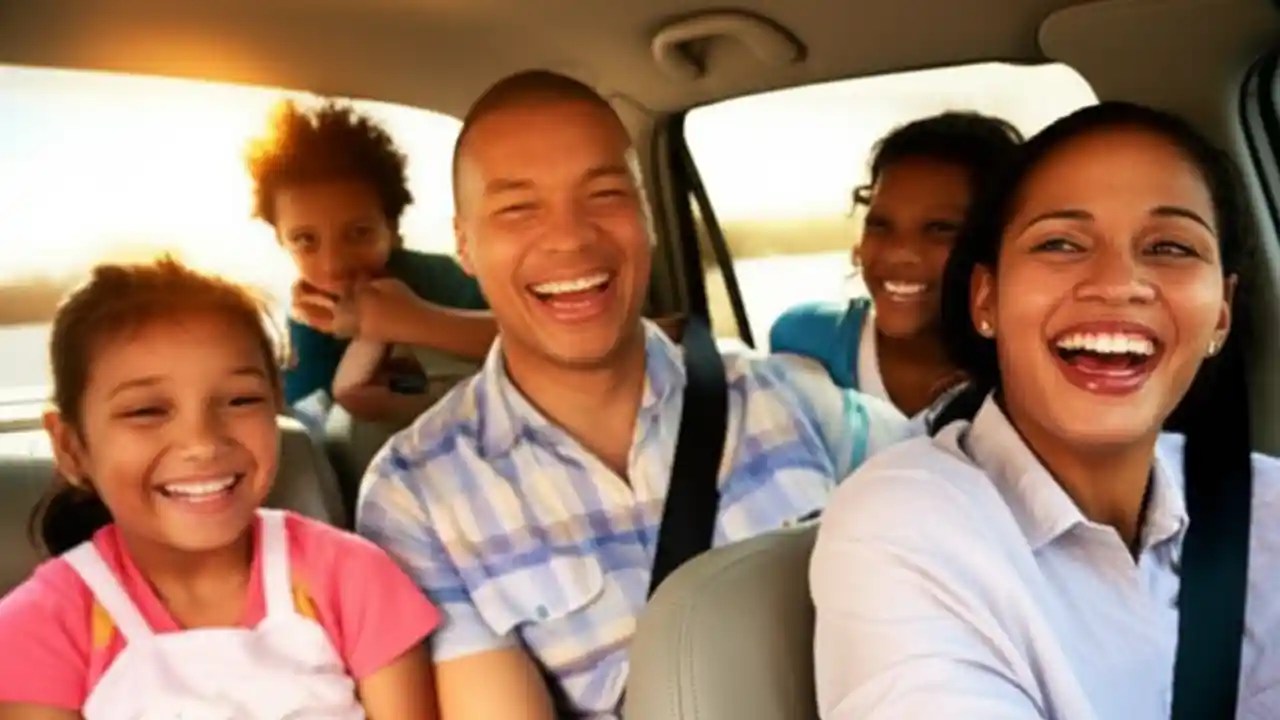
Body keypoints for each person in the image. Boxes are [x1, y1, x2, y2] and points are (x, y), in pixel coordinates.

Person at [355, 70, 914, 719]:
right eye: (517, 208)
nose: (570, 237)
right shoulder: (416, 496)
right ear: (464, 244)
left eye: (604, 194)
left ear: (647, 215)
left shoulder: (792, 399)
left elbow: (961, 510)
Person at [810, 102, 1280, 718]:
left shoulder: (1265, 508)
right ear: (986, 298)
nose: (1118, 283)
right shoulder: (909, 522)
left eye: (1169, 246)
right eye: (1060, 243)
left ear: (1221, 310)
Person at [0, 259, 440, 718]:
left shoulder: (353, 577)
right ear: (71, 447)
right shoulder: (41, 628)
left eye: (240, 400)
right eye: (147, 410)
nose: (203, 443)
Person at [245, 99, 494, 427]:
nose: (334, 264)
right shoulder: (305, 328)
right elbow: (311, 426)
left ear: (391, 230)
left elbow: (529, 339)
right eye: (306, 241)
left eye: (359, 233)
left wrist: (408, 320)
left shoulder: (440, 277)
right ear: (281, 240)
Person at [770, 112, 1022, 423]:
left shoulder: (1023, 378)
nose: (899, 253)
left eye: (940, 229)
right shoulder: (807, 341)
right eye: (880, 225)